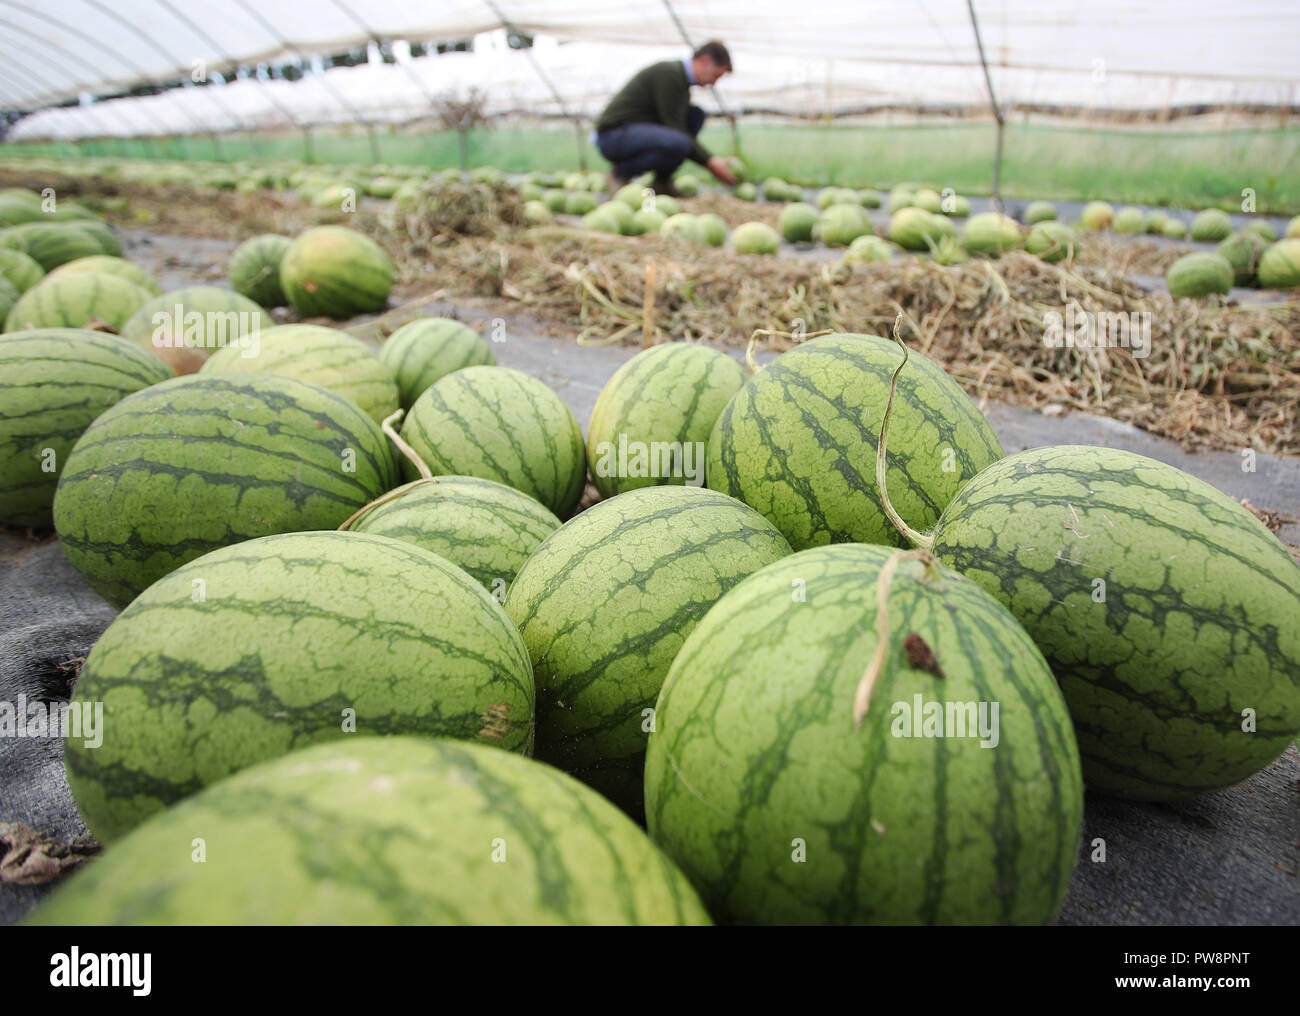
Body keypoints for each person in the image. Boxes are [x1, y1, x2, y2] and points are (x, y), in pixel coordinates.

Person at [593, 41, 738, 195]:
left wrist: (709, 161)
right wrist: (710, 162)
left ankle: (662, 182)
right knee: (679, 142)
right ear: (705, 61)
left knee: (695, 116)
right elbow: (676, 128)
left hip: (636, 132)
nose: (714, 82)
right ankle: (620, 173)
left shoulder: (681, 82)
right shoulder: (670, 74)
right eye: (716, 75)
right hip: (614, 135)